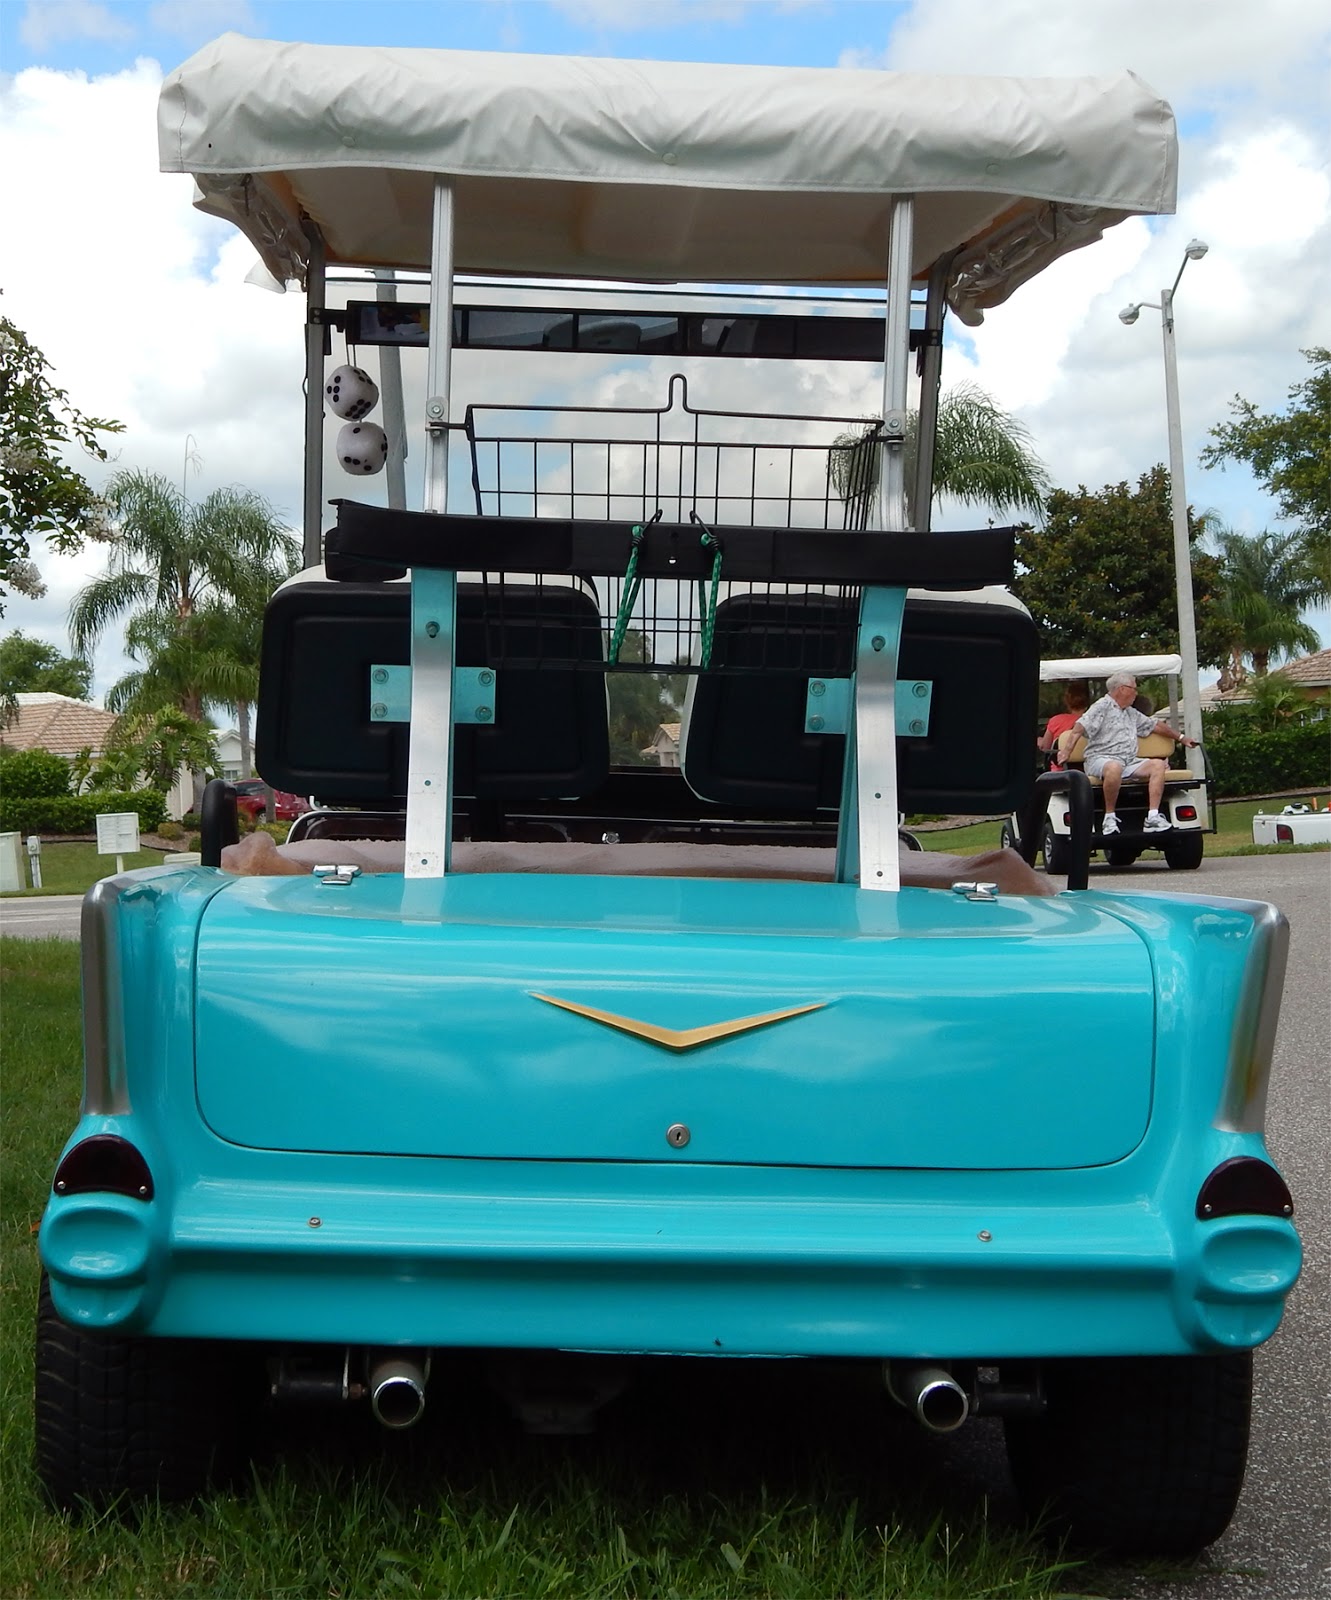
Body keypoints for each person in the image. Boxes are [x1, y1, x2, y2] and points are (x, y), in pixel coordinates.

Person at [1064, 671, 1198, 835]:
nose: (1136, 693)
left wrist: (1182, 738)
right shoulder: (1101, 707)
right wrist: (1066, 751)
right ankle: (1109, 818)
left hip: (1128, 761)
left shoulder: (1130, 712)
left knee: (1158, 765)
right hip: (1100, 759)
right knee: (1114, 767)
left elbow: (1154, 725)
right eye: (1133, 689)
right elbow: (1079, 728)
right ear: (1121, 689)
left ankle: (1153, 817)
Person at [1038, 683, 1089, 769]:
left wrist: (1039, 741)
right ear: (1087, 702)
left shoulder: (1055, 721)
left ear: (1067, 702)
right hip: (1087, 769)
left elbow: (1045, 747)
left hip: (1060, 771)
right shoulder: (1093, 721)